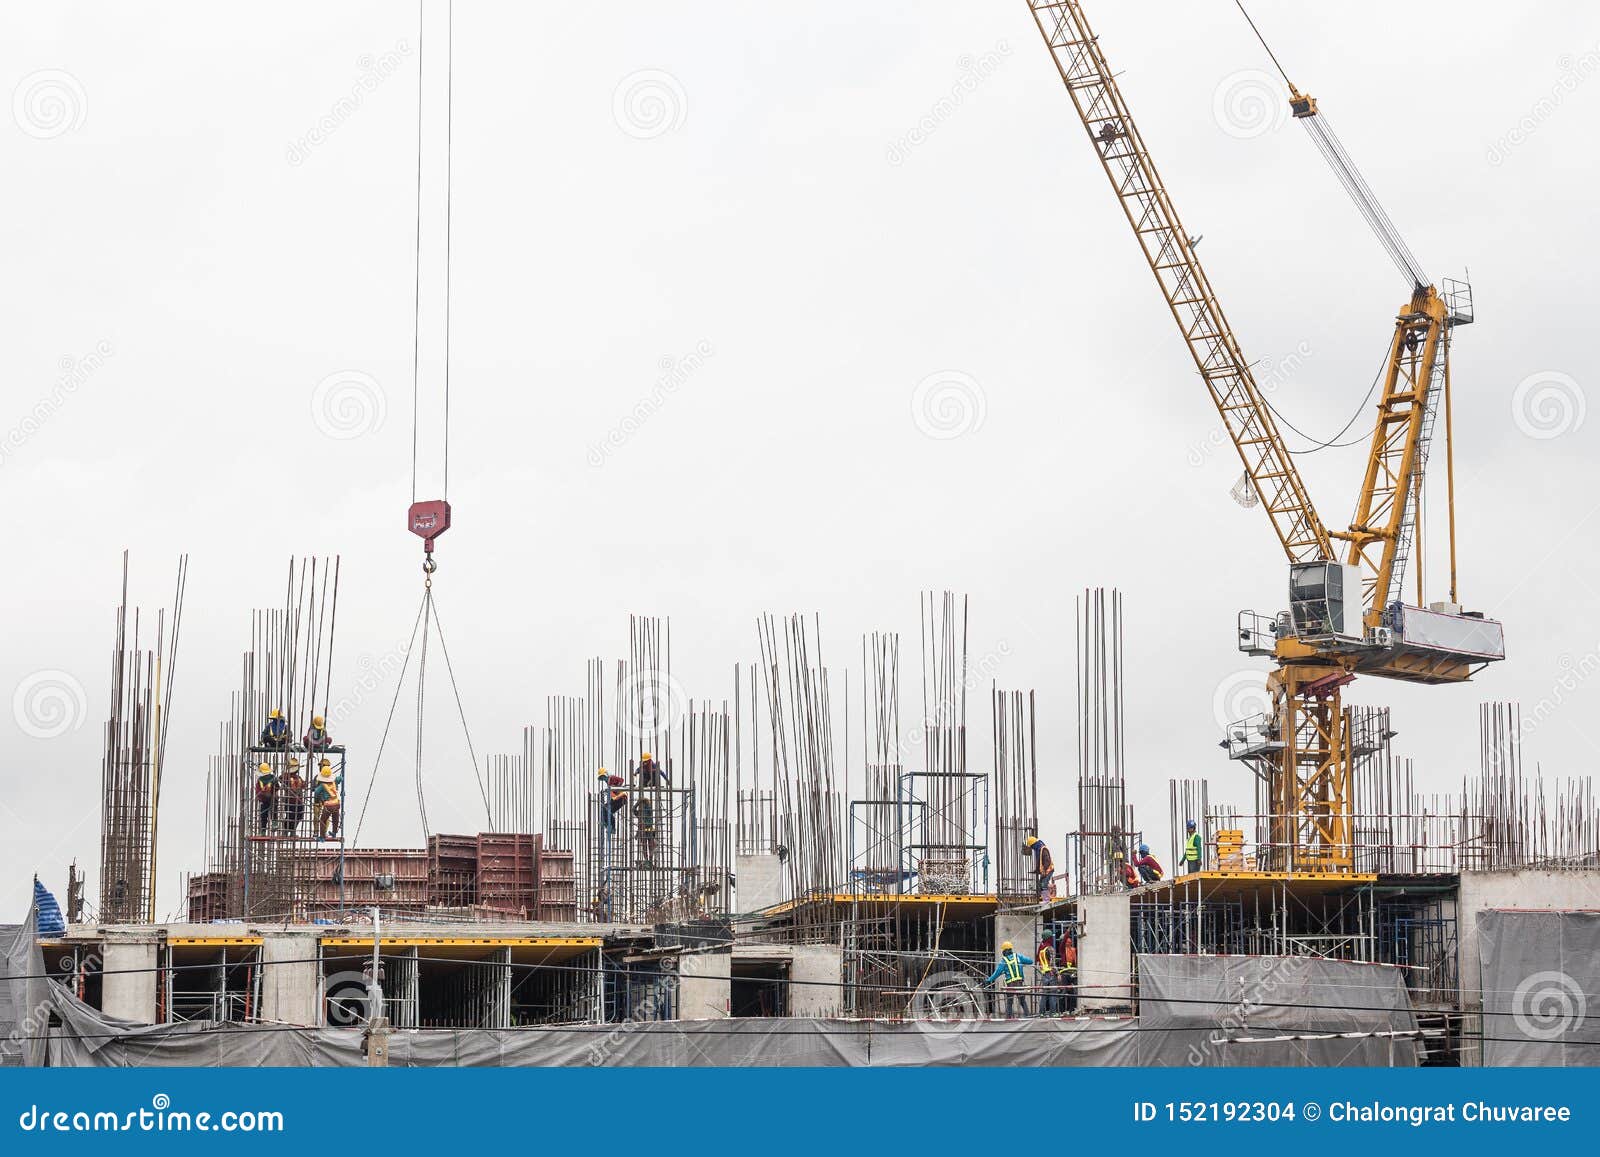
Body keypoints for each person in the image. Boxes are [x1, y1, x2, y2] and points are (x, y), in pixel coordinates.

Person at [986, 941, 1034, 1019]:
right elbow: (1030, 961)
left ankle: (1009, 1018)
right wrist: (1021, 964)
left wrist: (989, 980)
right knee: (1022, 1001)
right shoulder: (1018, 956)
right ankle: (1028, 1016)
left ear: (1005, 951)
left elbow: (997, 973)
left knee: (1009, 1002)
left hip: (1010, 985)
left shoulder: (1004, 961)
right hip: (1019, 983)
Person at [1023, 834, 1055, 903]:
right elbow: (1040, 862)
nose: (1032, 848)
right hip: (1045, 871)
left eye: (1032, 846)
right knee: (1040, 885)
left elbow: (1047, 861)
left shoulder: (1043, 849)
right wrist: (1036, 870)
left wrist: (1044, 870)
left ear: (1034, 844)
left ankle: (1046, 900)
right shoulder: (1039, 850)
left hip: (1049, 870)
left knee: (1043, 884)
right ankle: (1043, 898)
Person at [314, 759, 341, 839]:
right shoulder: (334, 781)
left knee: (323, 820)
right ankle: (334, 833)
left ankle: (322, 837)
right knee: (335, 819)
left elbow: (316, 792)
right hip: (337, 803)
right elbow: (340, 778)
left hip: (328, 805)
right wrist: (340, 778)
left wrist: (316, 799)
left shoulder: (322, 785)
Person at [597, 769, 630, 834]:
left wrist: (616, 788)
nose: (603, 779)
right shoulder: (608, 782)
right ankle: (606, 822)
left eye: (603, 777)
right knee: (604, 808)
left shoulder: (612, 778)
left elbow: (621, 780)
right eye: (602, 778)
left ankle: (612, 827)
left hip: (621, 798)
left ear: (606, 774)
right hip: (615, 798)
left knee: (608, 810)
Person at [279, 759, 306, 835]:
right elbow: (280, 778)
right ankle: (285, 830)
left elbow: (304, 785)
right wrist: (285, 775)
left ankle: (292, 830)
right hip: (289, 800)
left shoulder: (298, 777)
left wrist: (305, 783)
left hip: (299, 801)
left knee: (299, 816)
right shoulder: (286, 776)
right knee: (290, 816)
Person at [1037, 931, 1060, 1016]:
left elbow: (1039, 963)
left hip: (1044, 975)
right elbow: (1052, 964)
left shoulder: (1041, 949)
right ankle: (1053, 1013)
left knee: (1044, 995)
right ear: (1049, 938)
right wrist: (1058, 974)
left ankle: (1041, 1013)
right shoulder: (1050, 948)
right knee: (1053, 994)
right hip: (1051, 974)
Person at [253, 762, 277, 832]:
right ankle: (263, 831)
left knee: (274, 812)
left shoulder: (272, 778)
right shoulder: (260, 781)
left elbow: (277, 787)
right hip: (264, 800)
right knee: (264, 815)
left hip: (272, 799)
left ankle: (274, 824)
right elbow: (258, 792)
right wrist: (264, 794)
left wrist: (275, 783)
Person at [1059, 934, 1079, 1013]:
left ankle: (1067, 1010)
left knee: (1068, 993)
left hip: (1069, 973)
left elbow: (1075, 961)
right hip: (1068, 974)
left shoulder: (1070, 950)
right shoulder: (1067, 950)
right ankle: (1067, 1010)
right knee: (1067, 993)